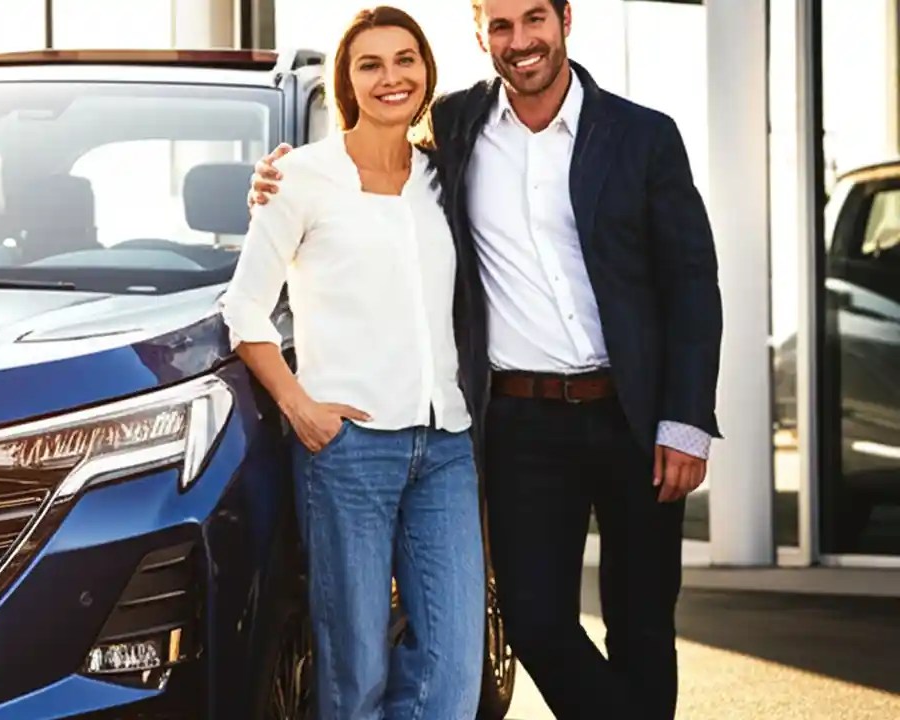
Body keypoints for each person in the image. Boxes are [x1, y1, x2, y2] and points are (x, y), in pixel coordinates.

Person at [247, 1, 723, 718]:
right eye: (501, 26)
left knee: (644, 624)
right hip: (520, 423)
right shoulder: (458, 129)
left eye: (535, 19)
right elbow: (358, 167)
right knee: (531, 622)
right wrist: (271, 182)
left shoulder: (643, 136)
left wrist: (685, 420)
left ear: (566, 20)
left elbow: (691, 282)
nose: (521, 41)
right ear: (479, 37)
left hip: (635, 416)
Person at [219, 7, 485, 720]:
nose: (391, 77)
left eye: (405, 60)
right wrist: (301, 408)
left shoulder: (445, 177)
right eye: (370, 64)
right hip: (348, 452)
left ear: (427, 71)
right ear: (347, 80)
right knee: (354, 673)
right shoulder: (300, 177)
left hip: (446, 448)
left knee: (455, 677)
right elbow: (244, 310)